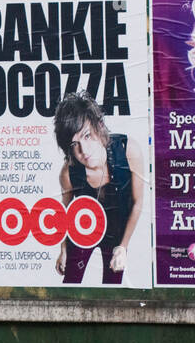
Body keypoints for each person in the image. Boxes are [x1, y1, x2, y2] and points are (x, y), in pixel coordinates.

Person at [53, 91, 146, 285]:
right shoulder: (68, 172)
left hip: (116, 230)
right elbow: (65, 214)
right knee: (70, 283)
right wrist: (63, 250)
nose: (83, 151)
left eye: (87, 136)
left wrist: (123, 247)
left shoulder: (128, 151)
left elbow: (138, 203)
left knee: (113, 285)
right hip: (84, 228)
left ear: (100, 127)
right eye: (74, 144)